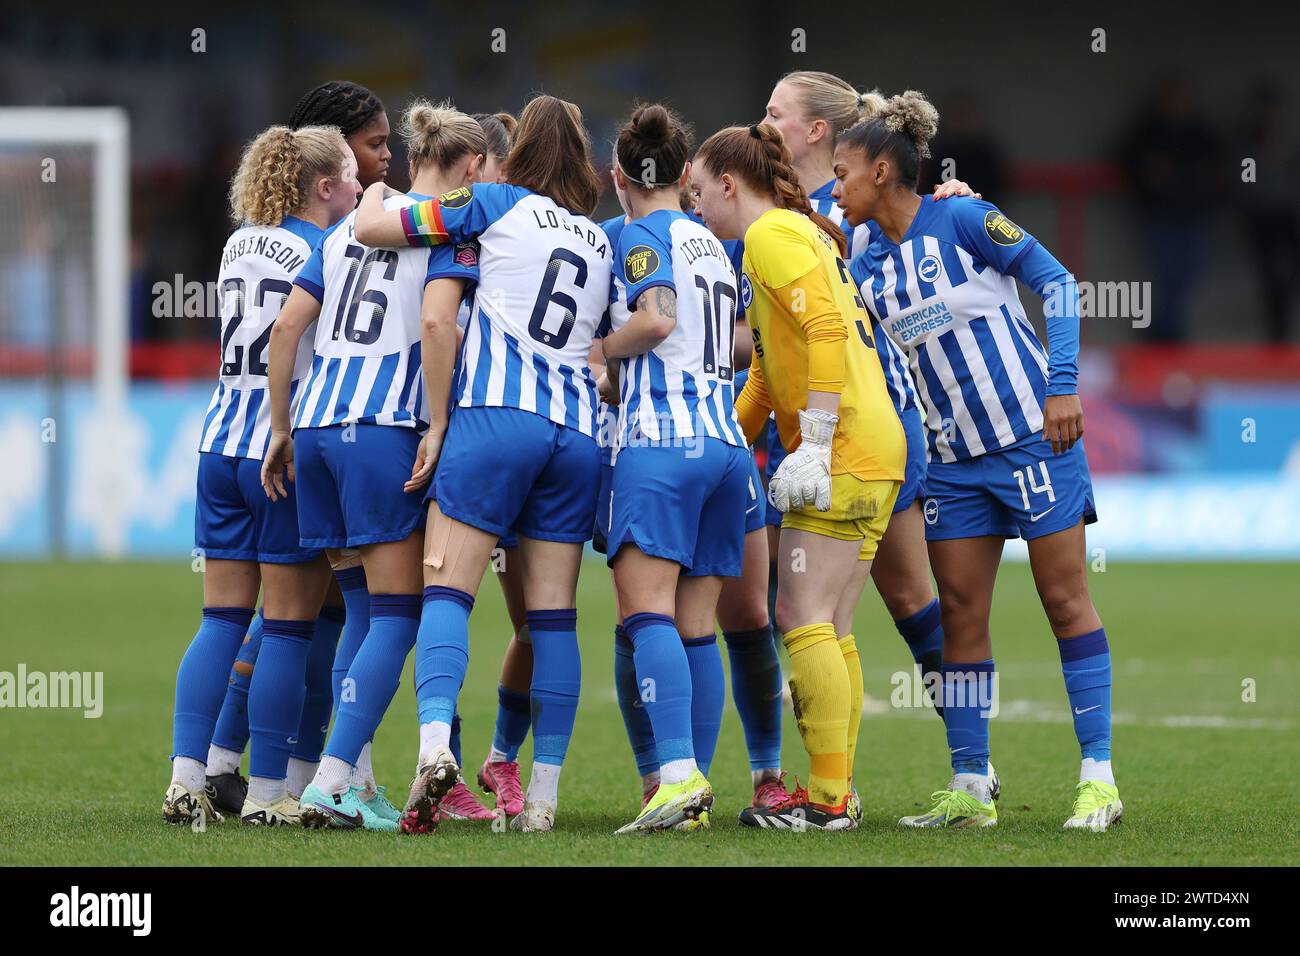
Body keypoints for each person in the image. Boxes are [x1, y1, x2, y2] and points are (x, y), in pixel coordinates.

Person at [834, 91, 1120, 831]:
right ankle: (969, 783)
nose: (836, 187)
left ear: (886, 170)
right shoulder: (862, 261)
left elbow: (1056, 282)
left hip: (1032, 436)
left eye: (845, 173)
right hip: (954, 463)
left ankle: (1098, 778)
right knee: (960, 614)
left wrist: (1062, 388)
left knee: (1064, 601)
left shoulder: (963, 218)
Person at [353, 94, 610, 833]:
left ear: (518, 148)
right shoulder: (595, 240)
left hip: (497, 420)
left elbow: (376, 227)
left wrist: (373, 187)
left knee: (447, 593)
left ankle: (435, 748)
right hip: (576, 435)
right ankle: (543, 799)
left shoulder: (491, 204)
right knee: (553, 620)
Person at [262, 100, 485, 832]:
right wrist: (442, 418)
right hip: (384, 430)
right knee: (400, 613)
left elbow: (286, 330)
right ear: (470, 170)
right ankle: (330, 780)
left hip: (319, 429)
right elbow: (437, 323)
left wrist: (281, 427)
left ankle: (352, 782)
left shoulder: (339, 234)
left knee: (359, 609)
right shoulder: (446, 232)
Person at [692, 121, 906, 830]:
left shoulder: (769, 237)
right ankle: (836, 792)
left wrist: (811, 443)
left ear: (729, 183)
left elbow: (824, 335)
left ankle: (827, 802)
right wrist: (723, 439)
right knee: (833, 625)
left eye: (698, 194)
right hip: (874, 444)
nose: (695, 209)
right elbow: (766, 370)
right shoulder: (799, 232)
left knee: (798, 616)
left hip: (842, 444)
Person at [206, 78, 392, 820]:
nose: (384, 161)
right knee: (319, 616)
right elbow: (295, 333)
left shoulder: (246, 240)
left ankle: (218, 765)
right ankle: (311, 781)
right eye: (374, 147)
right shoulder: (342, 237)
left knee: (279, 619)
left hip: (238, 437)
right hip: (315, 438)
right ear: (333, 163)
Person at [164, 125, 359, 827]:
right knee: (285, 628)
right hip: (282, 449)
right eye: (350, 175)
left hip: (219, 441)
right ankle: (271, 792)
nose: (362, 186)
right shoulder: (328, 251)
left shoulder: (239, 242)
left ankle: (187, 780)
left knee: (220, 619)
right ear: (323, 186)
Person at [598, 103, 751, 833]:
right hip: (726, 449)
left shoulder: (640, 233)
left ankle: (679, 777)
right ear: (688, 173)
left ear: (617, 177)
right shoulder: (712, 243)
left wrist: (601, 353)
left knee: (646, 613)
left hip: (660, 444)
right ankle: (690, 797)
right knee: (697, 627)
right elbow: (740, 343)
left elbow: (655, 316)